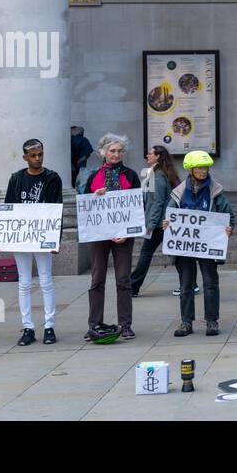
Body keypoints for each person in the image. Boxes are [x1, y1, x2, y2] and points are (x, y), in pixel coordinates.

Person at [0, 139, 63, 345]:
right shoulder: (17, 178)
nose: (37, 158)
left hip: (43, 234)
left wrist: (56, 239)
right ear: (25, 157)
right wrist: (0, 238)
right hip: (22, 236)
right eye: (33, 155)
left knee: (46, 280)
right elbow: (8, 208)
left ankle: (49, 326)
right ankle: (28, 327)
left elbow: (56, 209)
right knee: (24, 282)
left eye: (40, 154)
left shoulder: (52, 178)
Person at [79, 133, 141, 340]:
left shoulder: (131, 175)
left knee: (123, 278)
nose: (116, 154)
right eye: (112, 151)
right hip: (99, 234)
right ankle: (94, 324)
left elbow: (135, 206)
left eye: (119, 151)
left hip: (123, 235)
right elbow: (86, 205)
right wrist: (94, 196)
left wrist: (126, 231)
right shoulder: (93, 175)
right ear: (103, 153)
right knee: (97, 278)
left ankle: (125, 324)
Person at [165, 151, 234, 337]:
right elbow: (169, 215)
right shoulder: (179, 192)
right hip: (185, 248)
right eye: (199, 168)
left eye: (205, 167)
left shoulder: (215, 191)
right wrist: (166, 224)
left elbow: (228, 216)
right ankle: (186, 322)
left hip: (207, 247)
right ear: (191, 169)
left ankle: (212, 321)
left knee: (210, 283)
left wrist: (228, 228)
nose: (203, 171)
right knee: (186, 284)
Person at [129, 145, 180, 298]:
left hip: (159, 223)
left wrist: (150, 224)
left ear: (158, 156)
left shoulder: (157, 175)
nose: (147, 155)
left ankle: (133, 286)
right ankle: (190, 284)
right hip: (162, 221)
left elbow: (158, 202)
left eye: (150, 153)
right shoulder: (160, 173)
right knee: (176, 253)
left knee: (146, 253)